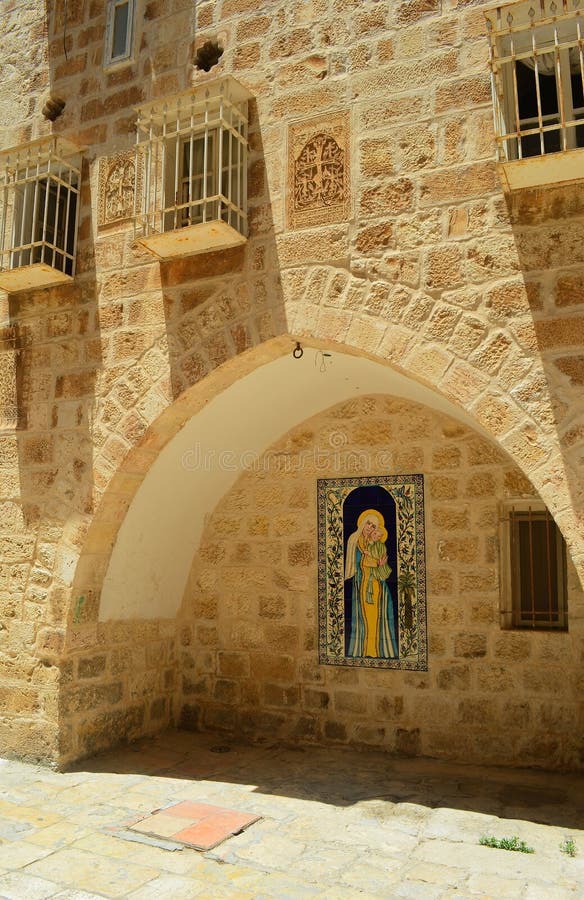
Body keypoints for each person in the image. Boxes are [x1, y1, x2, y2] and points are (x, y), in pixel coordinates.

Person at [345, 509, 397, 659]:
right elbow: (357, 564)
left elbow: (384, 567)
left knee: (378, 616)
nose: (370, 528)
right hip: (363, 584)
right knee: (366, 617)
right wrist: (374, 562)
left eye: (374, 526)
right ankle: (365, 650)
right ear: (363, 522)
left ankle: (377, 650)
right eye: (369, 523)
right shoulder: (354, 540)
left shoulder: (377, 544)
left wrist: (380, 564)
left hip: (378, 585)